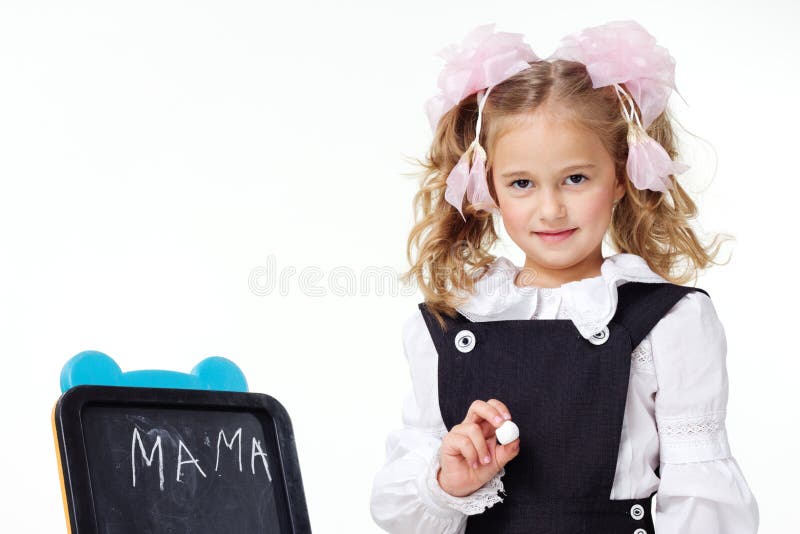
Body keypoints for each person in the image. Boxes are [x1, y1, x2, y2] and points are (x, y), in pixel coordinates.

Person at [369, 20, 759, 534]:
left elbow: (701, 499)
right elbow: (401, 513)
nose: (550, 208)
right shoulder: (445, 328)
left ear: (620, 176)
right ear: (489, 187)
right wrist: (449, 482)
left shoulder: (669, 322)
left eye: (575, 178)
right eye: (522, 183)